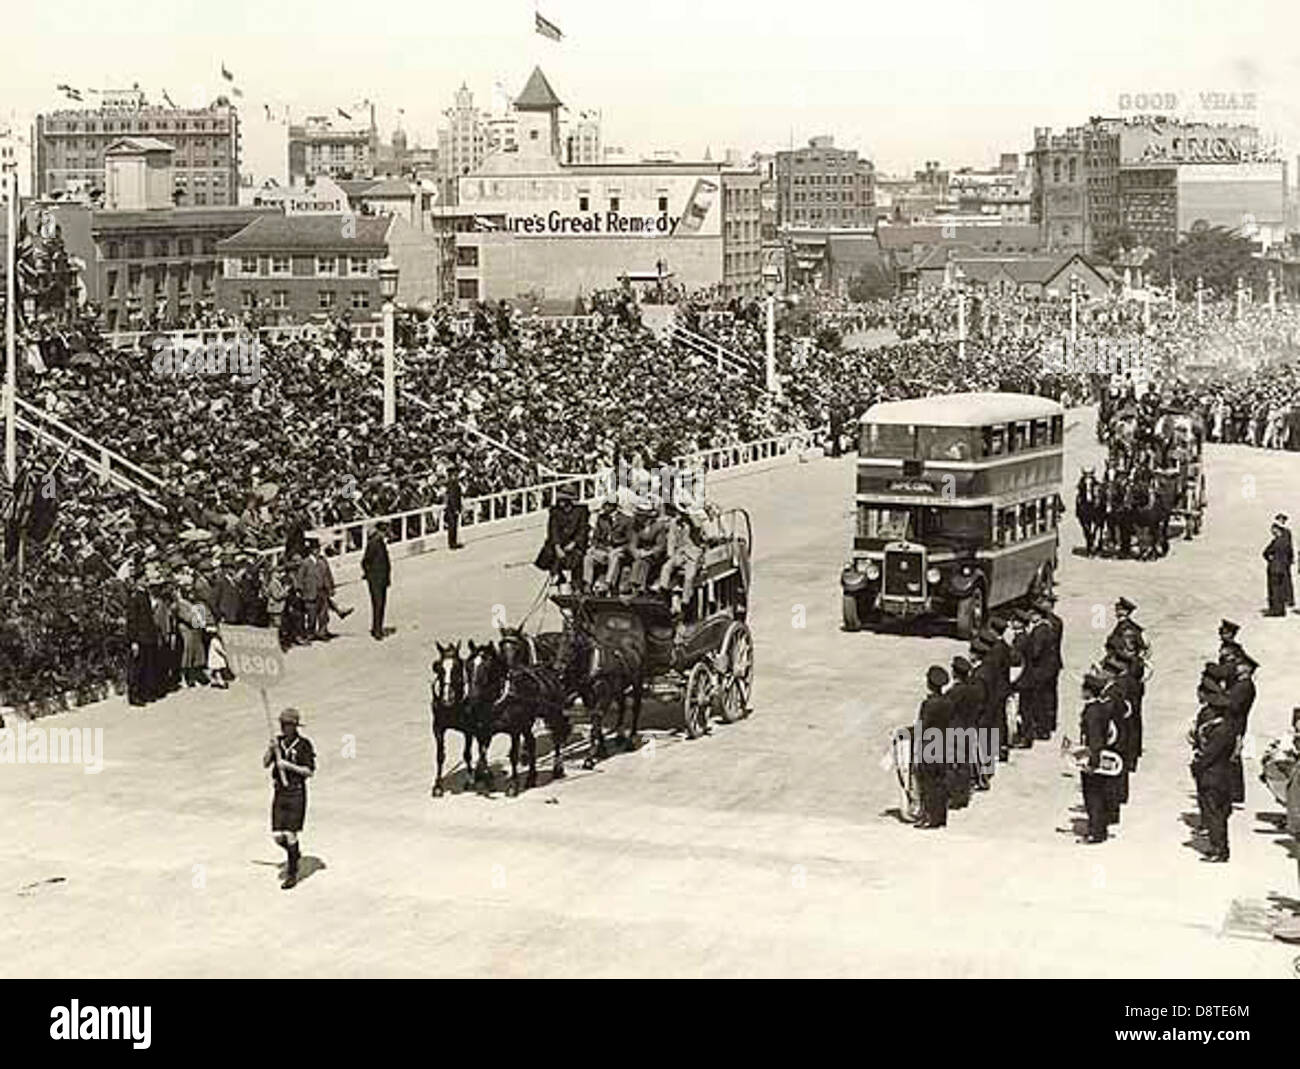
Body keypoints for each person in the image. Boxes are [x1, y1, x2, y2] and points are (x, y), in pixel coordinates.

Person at [263, 707, 316, 890]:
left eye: (287, 725)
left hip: (296, 791)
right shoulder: (277, 742)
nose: (284, 728)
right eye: (282, 724)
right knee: (278, 836)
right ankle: (294, 853)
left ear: (295, 726)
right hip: (280, 792)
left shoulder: (304, 745)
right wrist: (271, 750)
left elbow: (309, 771)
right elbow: (265, 764)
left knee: (290, 833)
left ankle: (293, 872)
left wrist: (288, 765)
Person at [1191, 689, 1237, 862]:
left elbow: (1210, 755)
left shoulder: (1220, 731)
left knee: (1214, 813)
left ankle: (1219, 849)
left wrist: (1197, 765)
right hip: (1220, 774)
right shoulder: (1225, 726)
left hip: (1213, 775)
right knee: (1216, 812)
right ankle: (1217, 845)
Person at [1079, 672, 1118, 844]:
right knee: (1099, 794)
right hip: (1098, 753)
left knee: (1092, 795)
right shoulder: (1101, 708)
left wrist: (1092, 762)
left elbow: (1094, 738)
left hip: (1093, 756)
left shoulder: (1092, 712)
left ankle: (1096, 831)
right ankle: (1099, 828)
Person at [914, 665, 951, 830]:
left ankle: (929, 816)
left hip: (930, 745)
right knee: (940, 780)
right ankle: (940, 815)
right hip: (943, 744)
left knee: (927, 782)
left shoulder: (928, 704)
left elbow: (922, 726)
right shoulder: (947, 702)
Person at [534, 486, 589, 588]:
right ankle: (557, 575)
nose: (560, 501)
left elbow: (583, 529)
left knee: (577, 558)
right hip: (559, 543)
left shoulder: (581, 511)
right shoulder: (555, 512)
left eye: (563, 499)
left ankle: (577, 584)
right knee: (549, 554)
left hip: (574, 543)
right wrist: (557, 546)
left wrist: (574, 543)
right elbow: (553, 530)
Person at [1225, 649, 1258, 806]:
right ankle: (1235, 792)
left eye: (1240, 665)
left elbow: (1233, 706)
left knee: (1232, 757)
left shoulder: (1244, 687)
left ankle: (1235, 793)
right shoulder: (1242, 684)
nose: (1237, 667)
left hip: (1235, 723)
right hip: (1236, 722)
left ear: (1247, 669)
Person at [584, 495, 633, 594]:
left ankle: (607, 583)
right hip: (604, 549)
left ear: (612, 506)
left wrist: (619, 549)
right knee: (588, 557)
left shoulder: (626, 520)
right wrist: (594, 547)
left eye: (606, 505)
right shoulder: (602, 519)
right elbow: (596, 537)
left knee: (614, 556)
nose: (604, 508)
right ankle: (587, 583)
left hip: (620, 550)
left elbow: (630, 541)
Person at [362, 522, 391, 641]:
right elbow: (365, 561)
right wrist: (370, 575)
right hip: (375, 579)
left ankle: (377, 628)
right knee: (378, 604)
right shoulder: (373, 543)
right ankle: (377, 631)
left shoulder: (379, 542)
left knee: (381, 604)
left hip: (382, 579)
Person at [1263, 514, 1294, 616]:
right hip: (1282, 566)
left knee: (1276, 589)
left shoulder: (1279, 541)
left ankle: (1277, 609)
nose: (1272, 532)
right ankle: (1281, 606)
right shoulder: (1285, 538)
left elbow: (1266, 552)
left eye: (1273, 530)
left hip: (1276, 567)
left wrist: (1269, 557)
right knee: (1279, 587)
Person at [444, 463, 463, 551]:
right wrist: (455, 509)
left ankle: (454, 542)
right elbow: (451, 497)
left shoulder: (455, 483)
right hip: (451, 508)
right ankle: (452, 543)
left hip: (455, 507)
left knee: (455, 526)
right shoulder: (451, 484)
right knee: (452, 526)